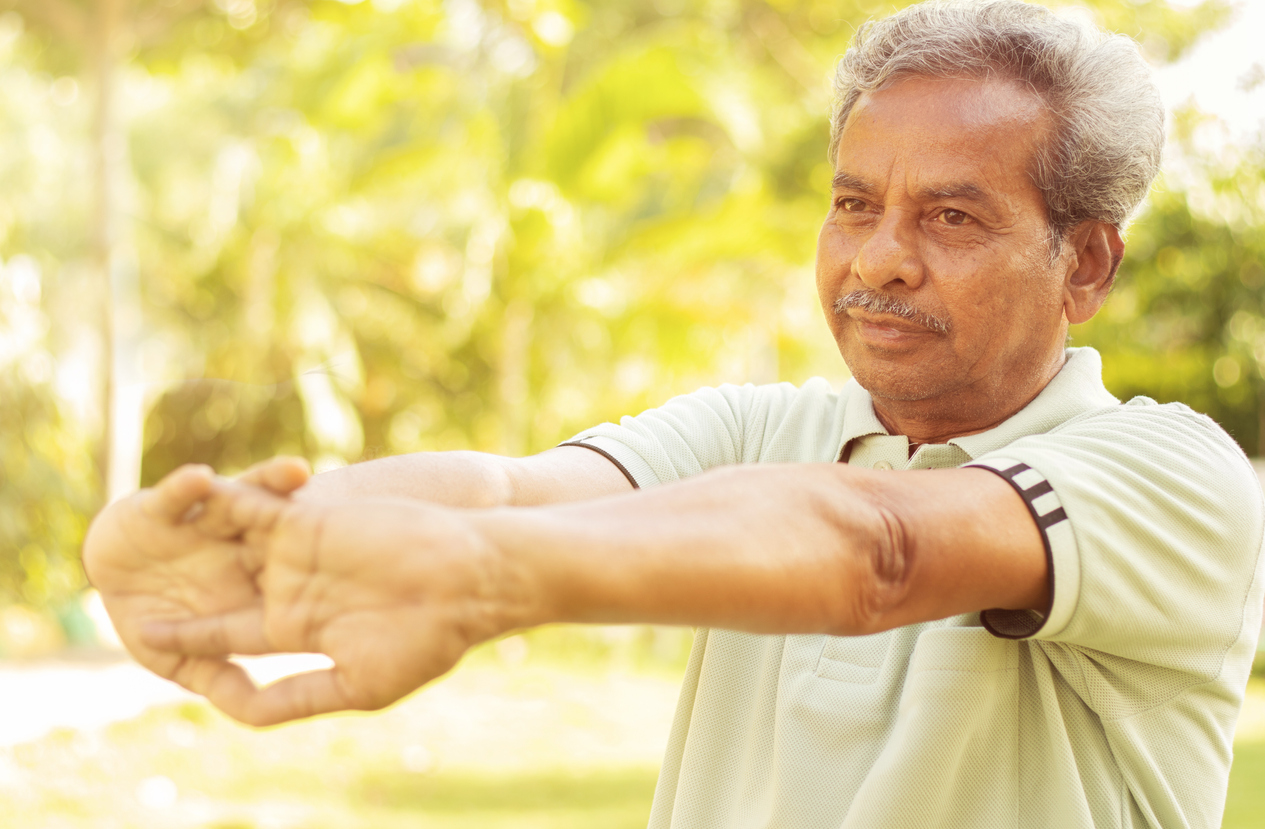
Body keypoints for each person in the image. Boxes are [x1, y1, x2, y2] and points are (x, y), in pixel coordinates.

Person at [83, 1, 1264, 827]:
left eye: (950, 219)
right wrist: (241, 535)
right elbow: (512, 489)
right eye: (854, 204)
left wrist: (487, 580)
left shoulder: (1168, 475)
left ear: (1085, 266)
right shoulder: (758, 429)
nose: (881, 257)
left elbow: (879, 551)